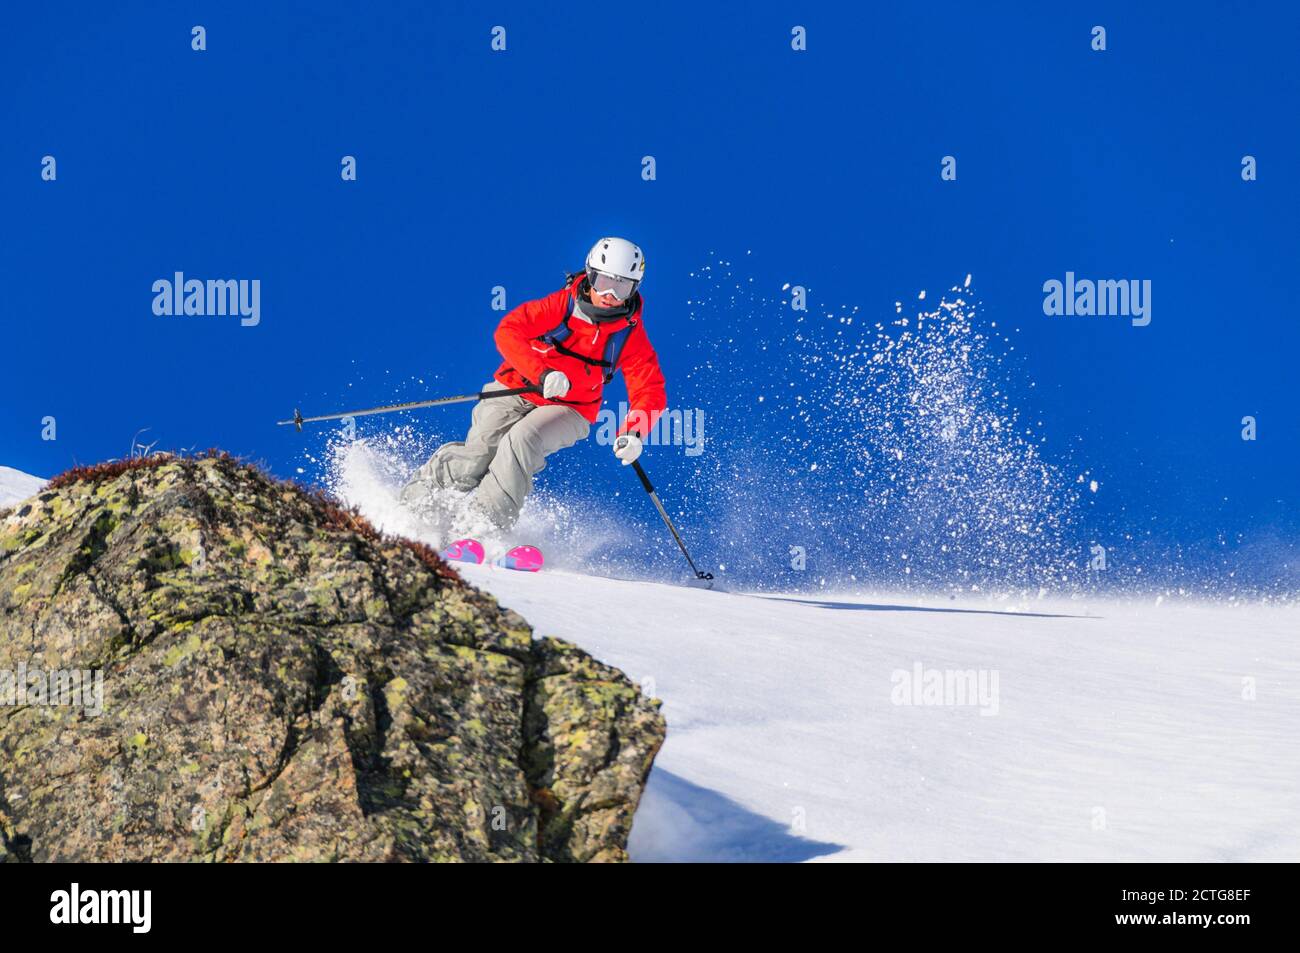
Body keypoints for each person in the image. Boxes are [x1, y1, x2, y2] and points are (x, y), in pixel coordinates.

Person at [400, 237, 667, 536]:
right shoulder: (560, 306)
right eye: (603, 281)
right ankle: (416, 504)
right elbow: (508, 330)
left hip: (570, 408)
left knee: (522, 440)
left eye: (621, 287)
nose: (609, 294)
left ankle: (483, 528)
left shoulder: (630, 337)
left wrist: (634, 432)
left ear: (635, 289)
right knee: (479, 453)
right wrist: (542, 374)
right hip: (515, 387)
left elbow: (649, 389)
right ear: (590, 274)